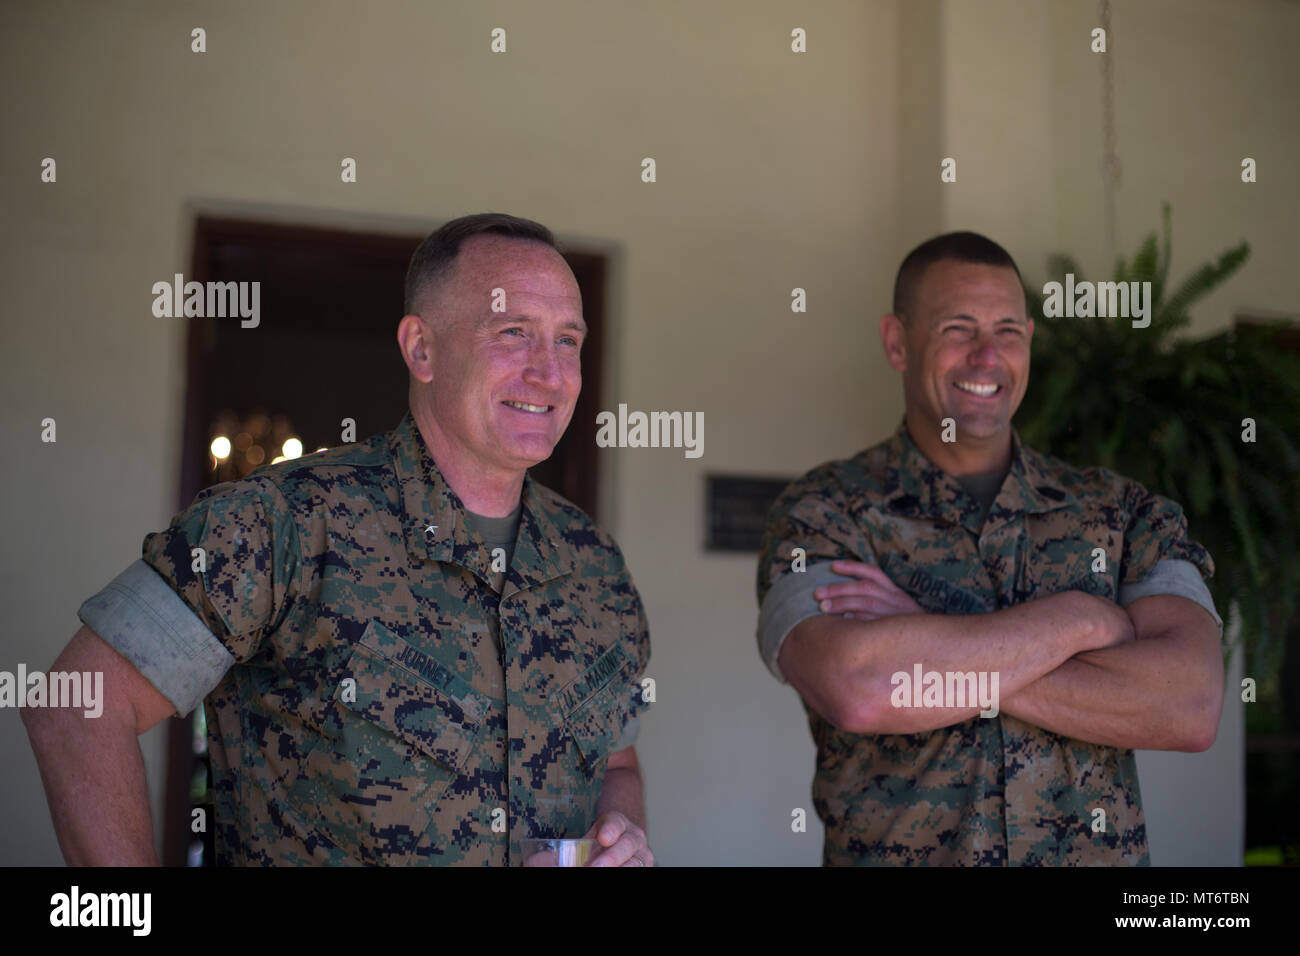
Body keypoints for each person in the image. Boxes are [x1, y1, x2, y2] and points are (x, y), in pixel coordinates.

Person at [24, 213, 654, 867]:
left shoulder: (593, 564)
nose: (549, 373)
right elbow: (77, 708)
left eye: (568, 341)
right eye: (514, 333)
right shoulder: (283, 523)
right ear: (422, 350)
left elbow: (618, 763)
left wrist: (620, 831)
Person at [756, 231, 1224, 866]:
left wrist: (925, 638)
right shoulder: (827, 511)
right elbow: (859, 687)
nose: (987, 357)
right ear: (897, 342)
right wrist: (1082, 620)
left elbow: (1189, 705)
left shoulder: (1125, 513)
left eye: (1007, 331)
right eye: (957, 329)